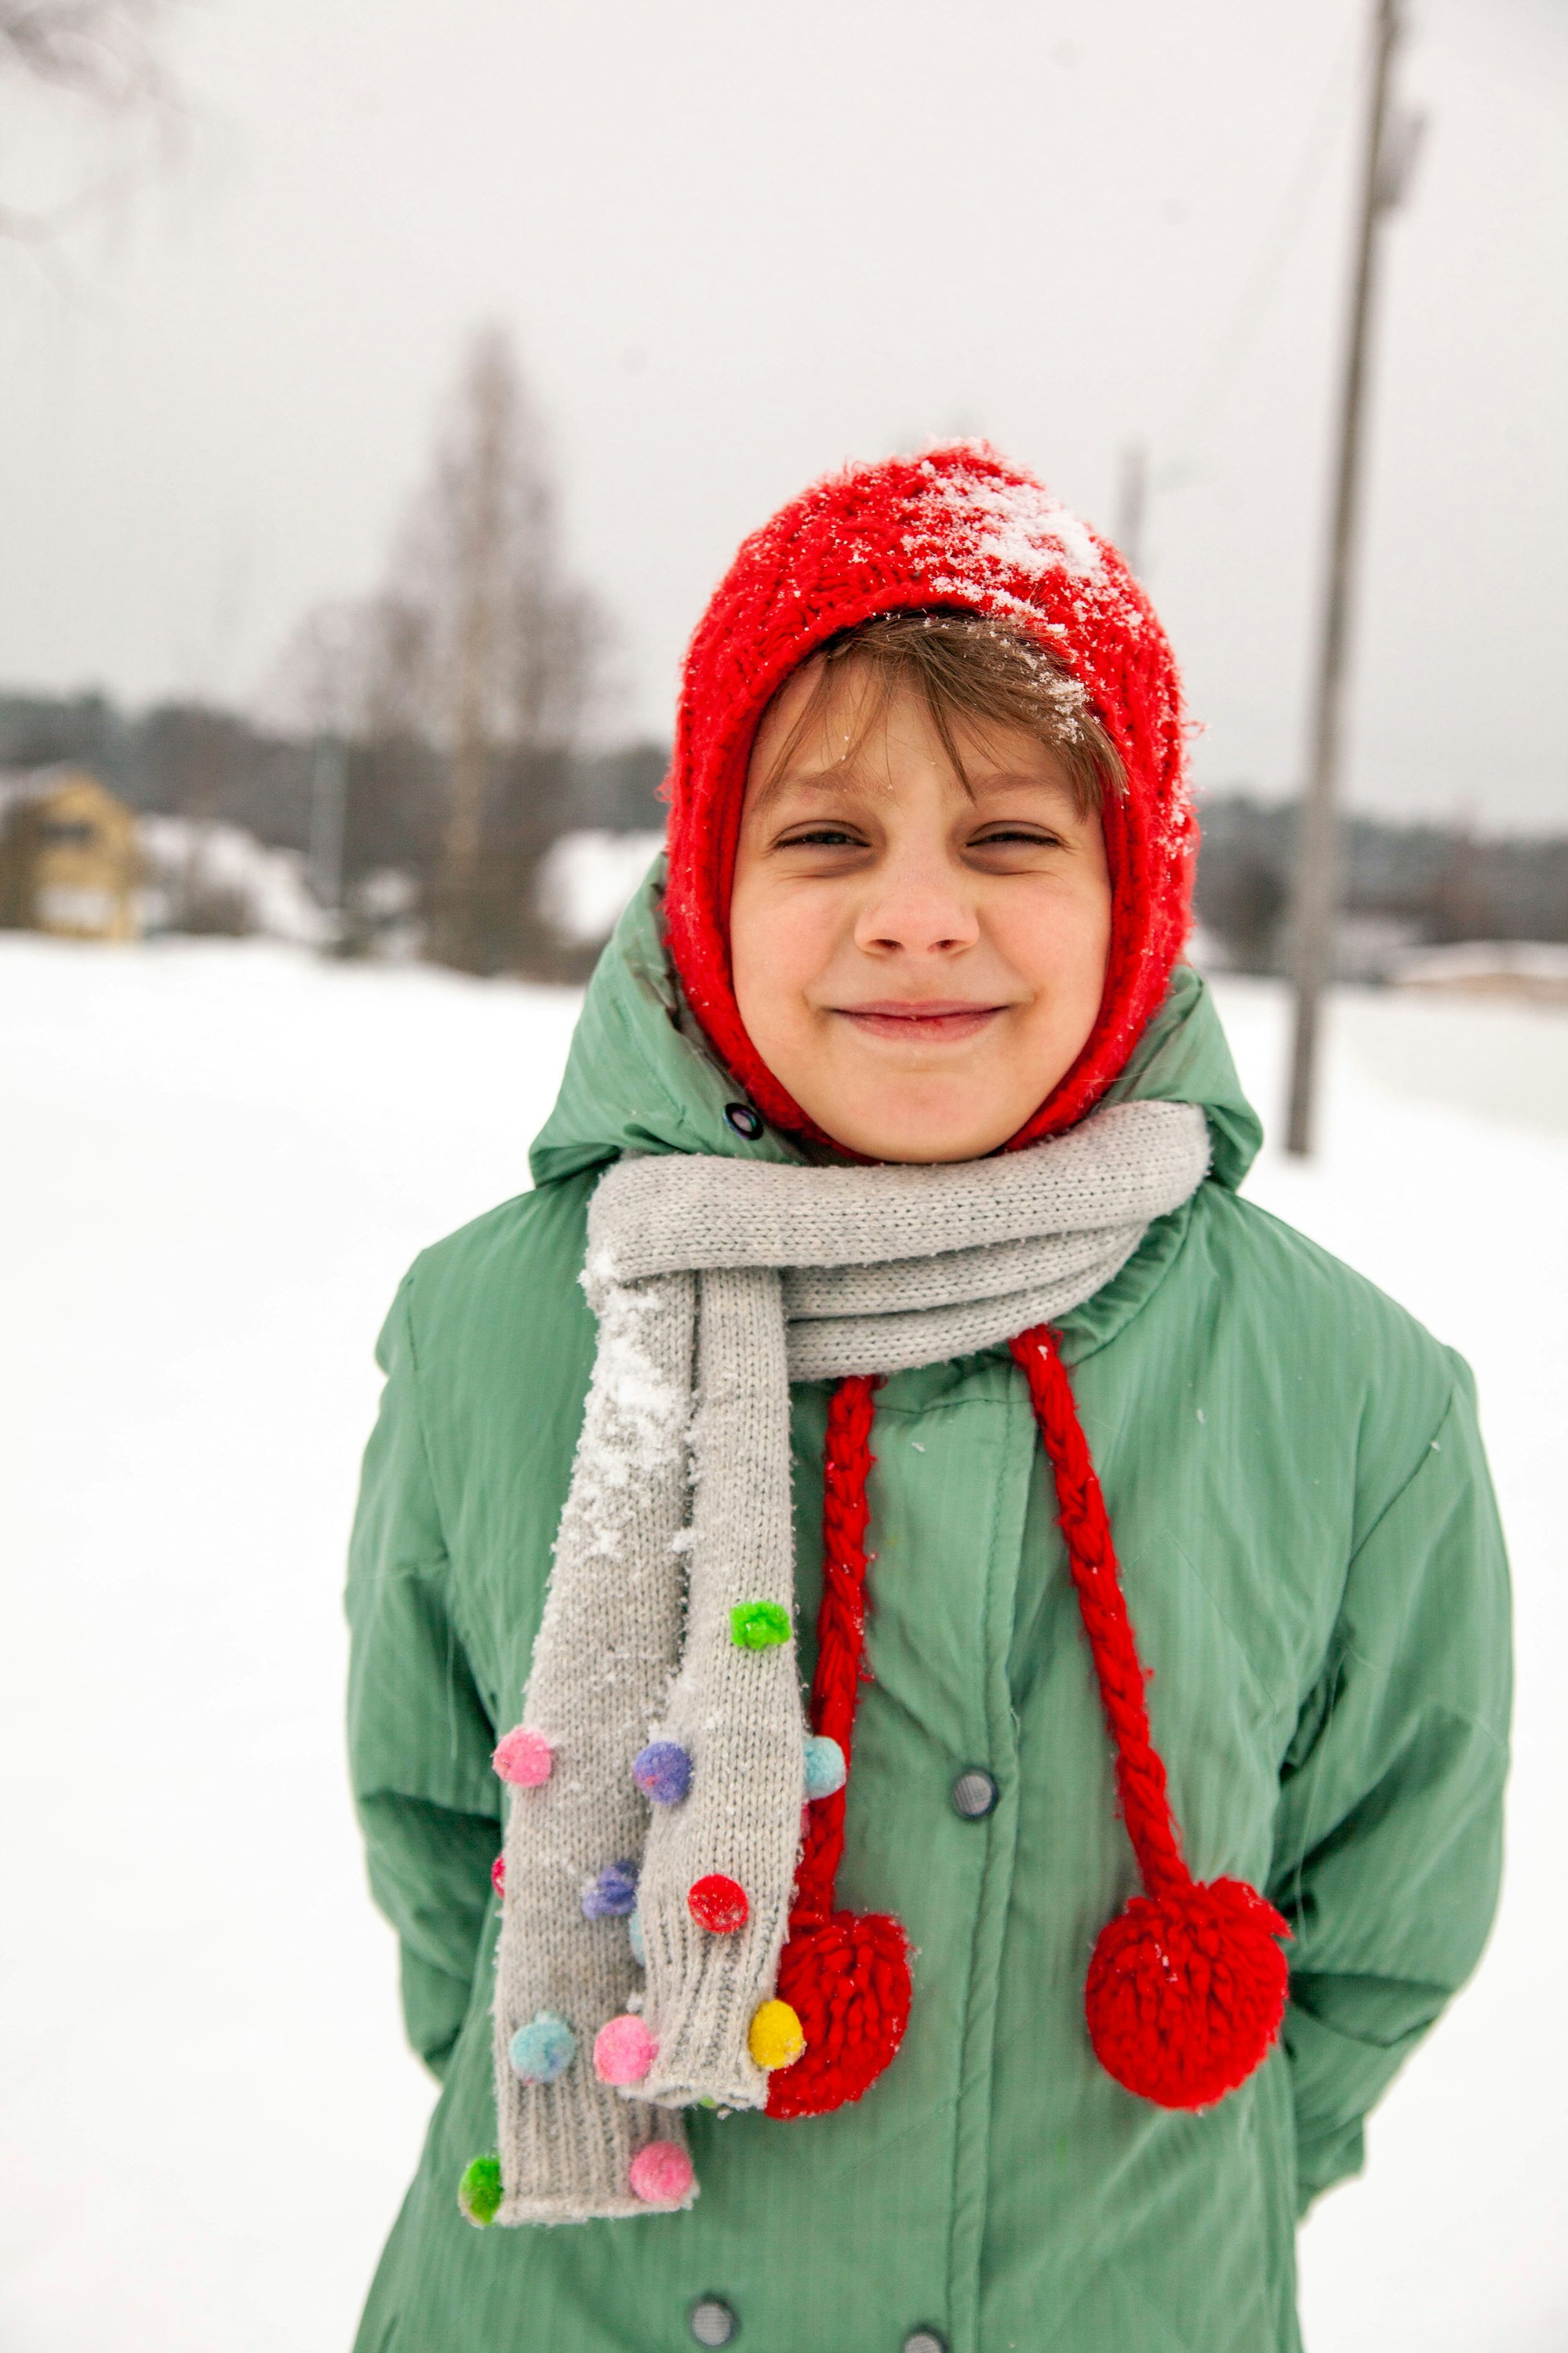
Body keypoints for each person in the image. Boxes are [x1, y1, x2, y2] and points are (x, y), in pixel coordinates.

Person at [346, 446, 1510, 2353]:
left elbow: (1384, 1917)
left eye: (1008, 841)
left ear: (1134, 896)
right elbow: (436, 1849)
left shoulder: (1350, 1393)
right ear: (710, 883)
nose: (912, 915)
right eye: (823, 840)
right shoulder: (507, 1325)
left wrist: (1150, 2224)